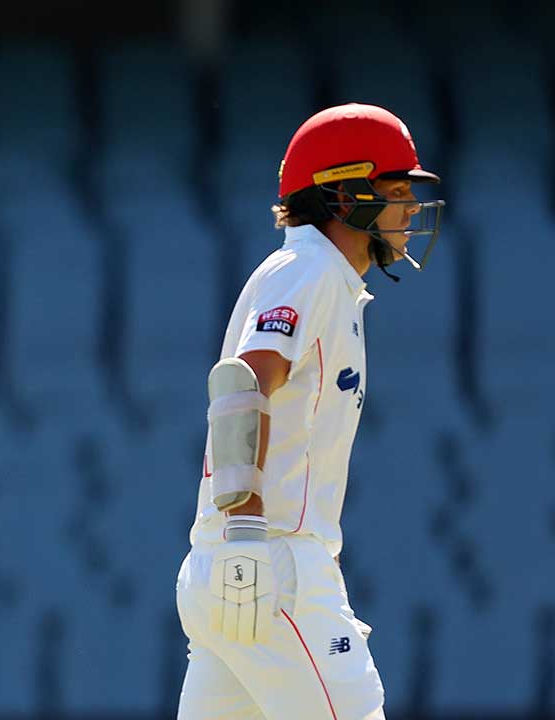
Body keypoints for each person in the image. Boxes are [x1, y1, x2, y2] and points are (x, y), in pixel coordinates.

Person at [174, 103, 445, 719]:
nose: (409, 209)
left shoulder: (323, 279)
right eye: (395, 190)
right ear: (344, 196)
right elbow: (243, 384)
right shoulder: (309, 271)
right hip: (274, 563)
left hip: (236, 566)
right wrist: (247, 532)